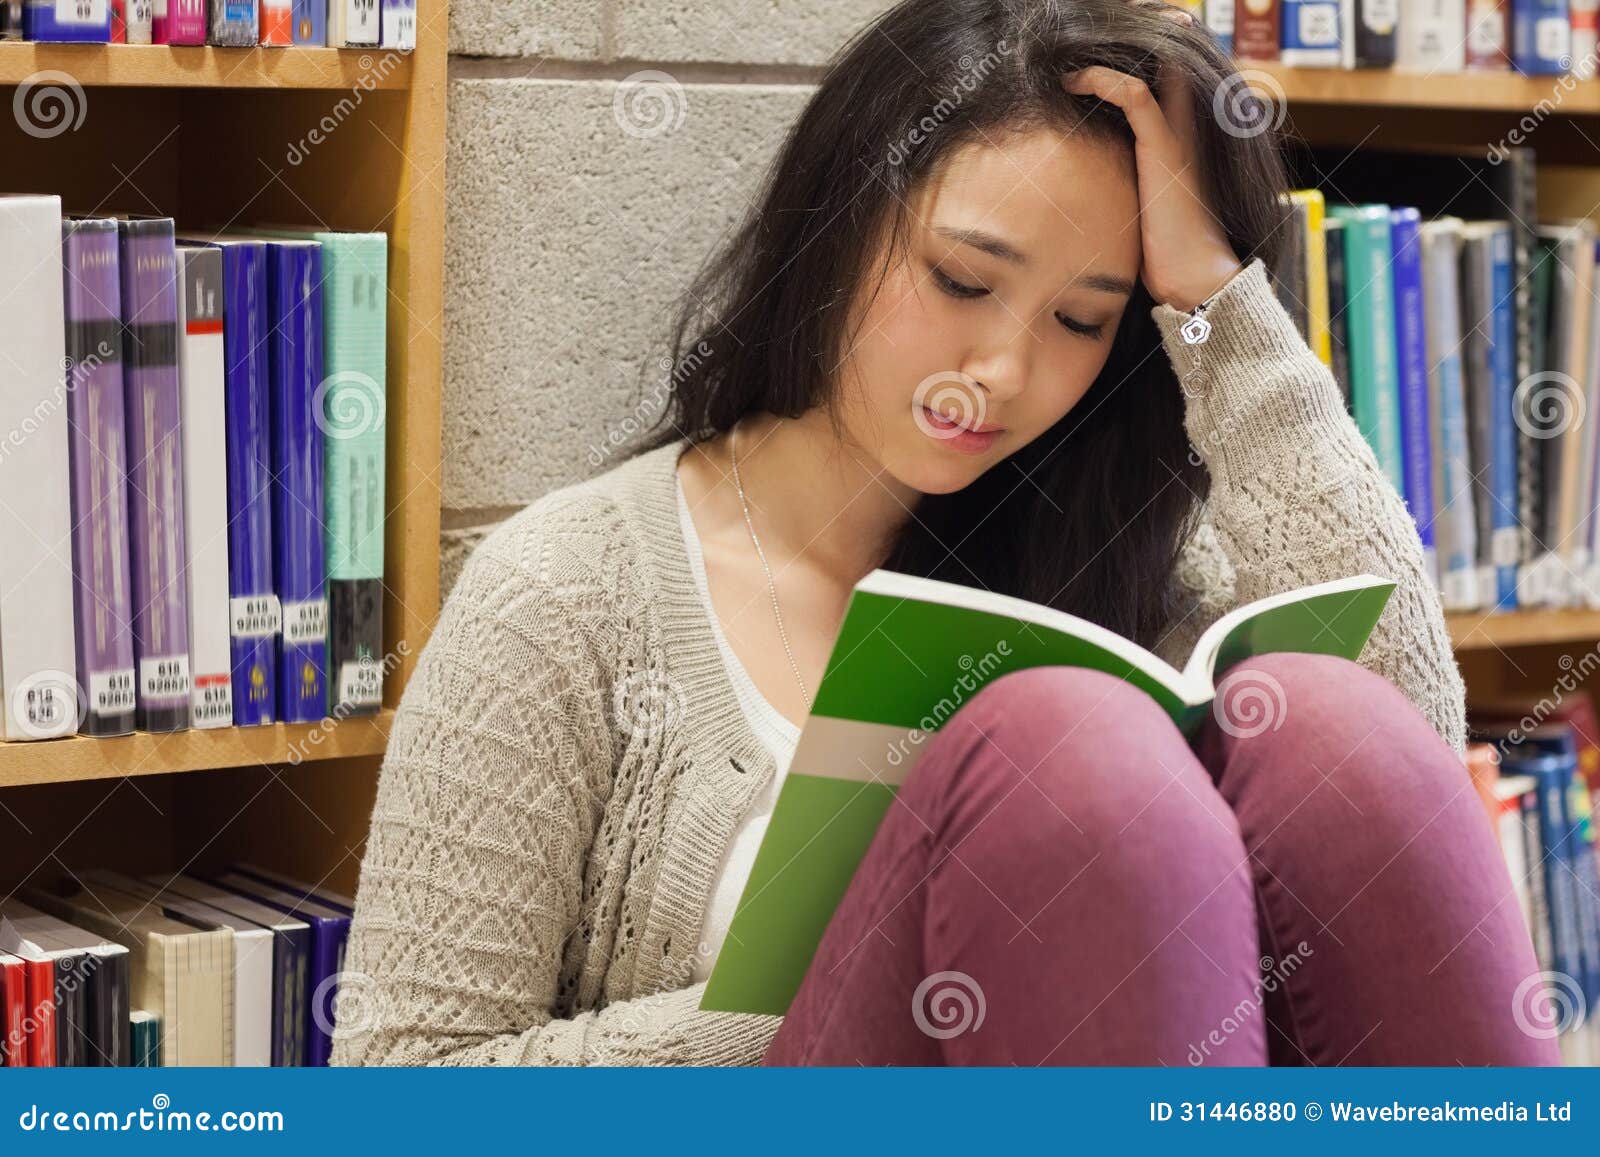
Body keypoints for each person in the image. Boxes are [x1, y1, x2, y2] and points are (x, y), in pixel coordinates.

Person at [330, 0, 1558, 1066]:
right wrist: (893, 947)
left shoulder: (1108, 564)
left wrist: (1216, 306)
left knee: (1324, 717)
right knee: (1057, 746)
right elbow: (402, 1078)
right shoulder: (565, 595)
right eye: (963, 281)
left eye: (1083, 321)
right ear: (842, 216)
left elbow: (1404, 757)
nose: (1003, 367)